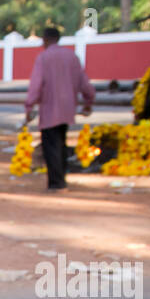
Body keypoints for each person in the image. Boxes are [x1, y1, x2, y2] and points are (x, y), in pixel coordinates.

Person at [24, 28, 95, 192]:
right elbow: (85, 83)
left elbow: (36, 84)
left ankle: (57, 183)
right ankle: (61, 177)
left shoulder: (43, 58)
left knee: (51, 146)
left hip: (49, 108)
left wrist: (29, 105)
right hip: (67, 108)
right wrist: (88, 101)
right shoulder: (72, 57)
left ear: (46, 40)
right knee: (61, 143)